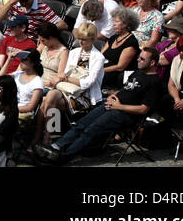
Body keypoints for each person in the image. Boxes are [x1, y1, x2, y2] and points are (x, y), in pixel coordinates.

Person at [34, 48, 164, 164]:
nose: (138, 59)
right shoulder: (138, 72)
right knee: (82, 124)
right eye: (139, 57)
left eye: (142, 58)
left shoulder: (154, 82)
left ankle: (63, 157)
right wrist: (114, 96)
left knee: (91, 130)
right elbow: (126, 90)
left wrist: (118, 106)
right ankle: (57, 146)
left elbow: (143, 109)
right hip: (112, 104)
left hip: (125, 114)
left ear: (152, 63)